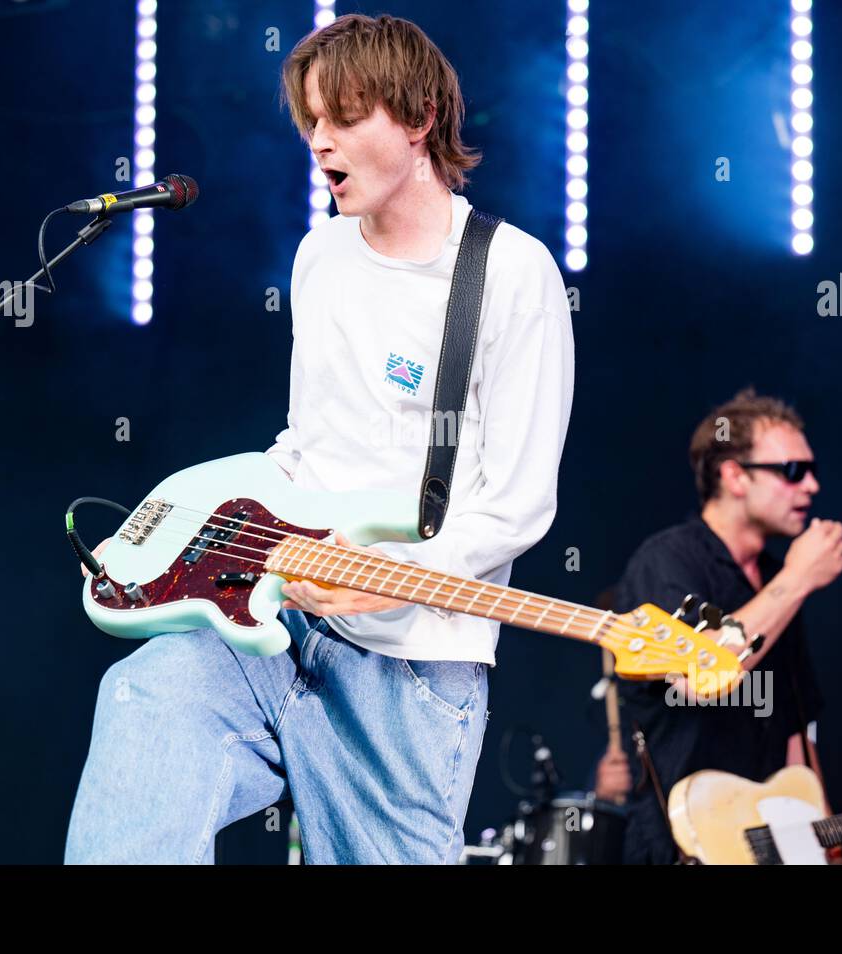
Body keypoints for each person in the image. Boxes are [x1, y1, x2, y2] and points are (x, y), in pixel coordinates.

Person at [65, 13, 575, 864]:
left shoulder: (511, 273)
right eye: (310, 123)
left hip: (411, 674)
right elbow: (307, 445)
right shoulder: (320, 256)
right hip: (280, 622)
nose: (320, 143)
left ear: (416, 120)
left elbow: (519, 505)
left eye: (343, 119)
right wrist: (210, 523)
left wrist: (392, 580)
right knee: (143, 699)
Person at [596, 389, 842, 864]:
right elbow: (694, 677)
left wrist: (826, 843)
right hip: (685, 846)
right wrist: (797, 581)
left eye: (812, 471)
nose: (811, 486)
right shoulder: (668, 560)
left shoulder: (775, 576)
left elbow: (795, 733)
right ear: (734, 475)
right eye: (793, 471)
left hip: (770, 847)